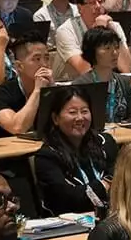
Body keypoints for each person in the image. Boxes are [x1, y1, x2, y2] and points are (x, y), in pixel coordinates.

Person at [31, 84, 120, 217]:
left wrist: (87, 191)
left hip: (113, 216)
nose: (80, 118)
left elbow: (123, 180)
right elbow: (69, 200)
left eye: (84, 111)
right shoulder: (47, 156)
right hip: (70, 224)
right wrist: (105, 184)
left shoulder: (105, 143)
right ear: (55, 118)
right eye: (72, 112)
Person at [0, 28, 53, 139]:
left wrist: (54, 92)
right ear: (19, 66)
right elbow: (16, 127)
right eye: (37, 59)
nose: (44, 64)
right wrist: (37, 91)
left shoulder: (51, 88)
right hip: (9, 154)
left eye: (46, 58)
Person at [48, 0, 117, 80]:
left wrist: (112, 31)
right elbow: (85, 70)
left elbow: (126, 67)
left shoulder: (113, 26)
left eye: (100, 1)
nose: (98, 6)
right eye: (92, 2)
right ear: (80, 8)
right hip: (71, 86)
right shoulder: (66, 31)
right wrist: (99, 31)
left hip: (108, 82)